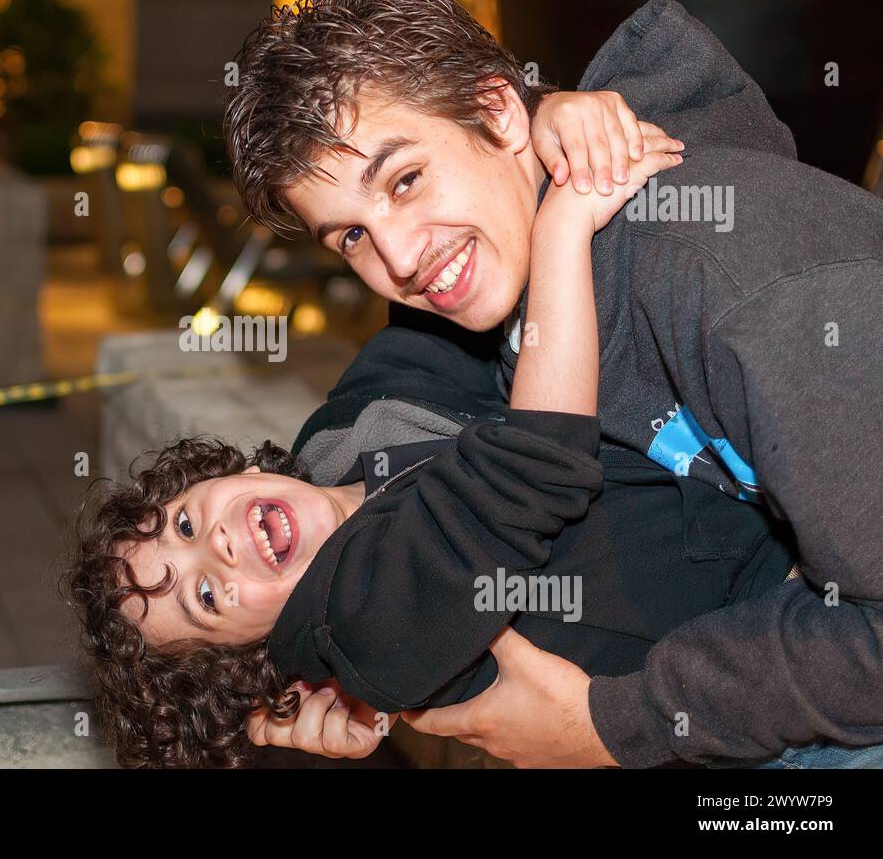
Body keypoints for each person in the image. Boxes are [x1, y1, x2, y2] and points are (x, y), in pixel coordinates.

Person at [223, 0, 883, 768]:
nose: (399, 258)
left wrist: (615, 723)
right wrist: (290, 670)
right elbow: (374, 425)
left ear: (500, 114)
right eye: (352, 238)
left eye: (404, 179)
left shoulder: (735, 285)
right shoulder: (514, 289)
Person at [62, 119, 791, 767]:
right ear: (256, 651)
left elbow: (448, 304)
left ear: (217, 474)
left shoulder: (339, 442)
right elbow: (535, 467)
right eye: (209, 596)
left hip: (755, 485)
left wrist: (539, 130)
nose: (214, 544)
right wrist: (563, 223)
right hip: (766, 626)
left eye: (185, 523)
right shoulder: (367, 627)